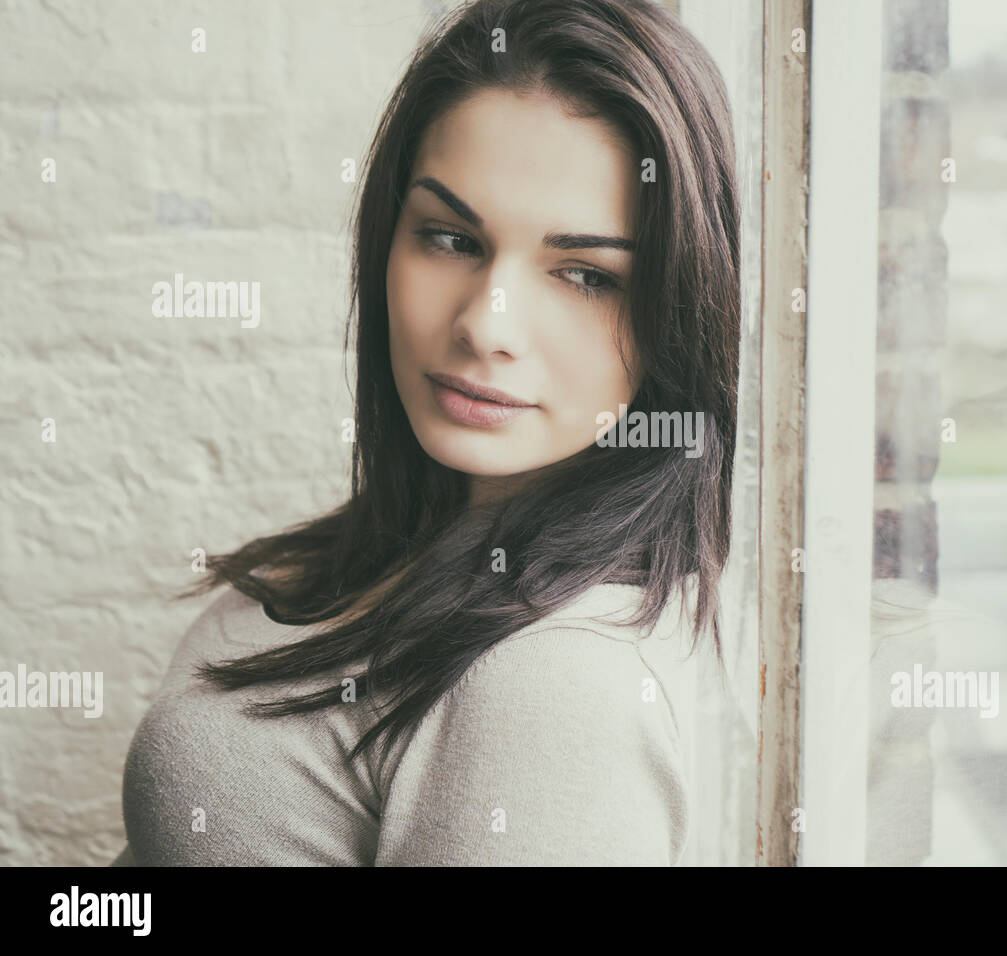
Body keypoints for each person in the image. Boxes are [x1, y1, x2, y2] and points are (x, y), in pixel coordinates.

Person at [113, 0, 740, 866]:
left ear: (678, 310)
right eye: (449, 237)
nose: (487, 324)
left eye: (585, 275)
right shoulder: (390, 548)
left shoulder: (554, 684)